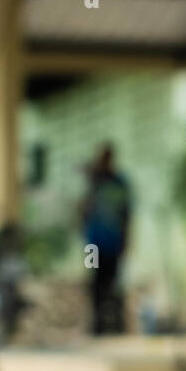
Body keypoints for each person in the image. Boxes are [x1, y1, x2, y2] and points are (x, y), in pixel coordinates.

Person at [80, 143, 132, 335]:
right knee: (94, 282)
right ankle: (96, 324)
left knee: (113, 283)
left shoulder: (120, 183)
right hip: (93, 244)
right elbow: (84, 210)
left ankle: (115, 324)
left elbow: (127, 214)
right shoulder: (94, 183)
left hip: (113, 243)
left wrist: (126, 240)